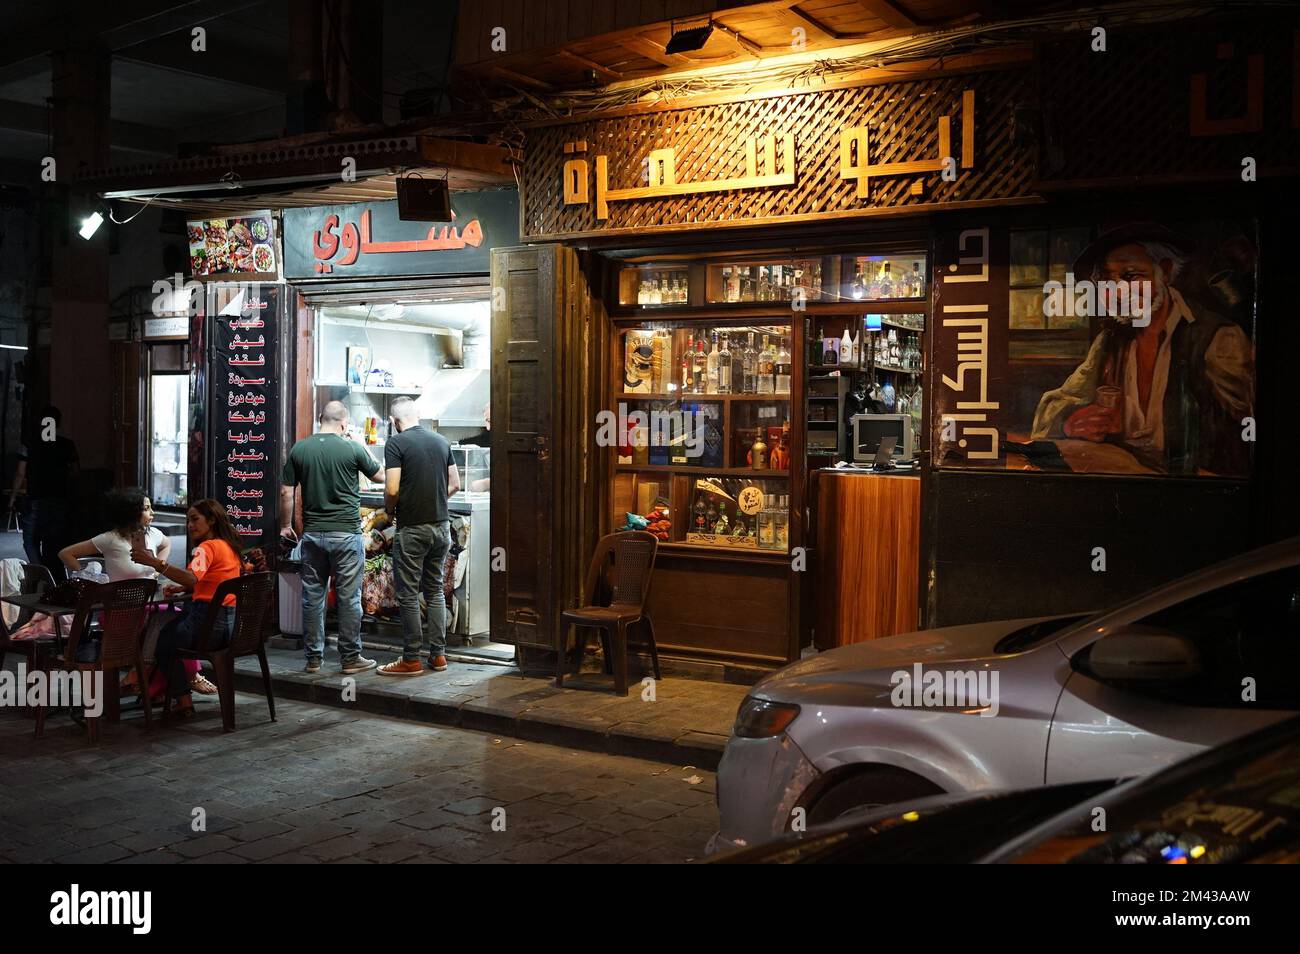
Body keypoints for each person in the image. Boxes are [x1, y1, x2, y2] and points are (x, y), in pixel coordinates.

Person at [1030, 224, 1253, 476]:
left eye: (1130, 276)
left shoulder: (1218, 338)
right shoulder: (1110, 340)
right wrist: (1069, 421)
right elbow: (1058, 402)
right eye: (1105, 280)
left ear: (1165, 272)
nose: (1116, 292)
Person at [58, 489, 216, 698]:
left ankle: (150, 680)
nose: (152, 513)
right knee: (170, 620)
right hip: (120, 610)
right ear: (131, 512)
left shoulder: (152, 534)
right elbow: (66, 553)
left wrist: (159, 565)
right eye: (147, 508)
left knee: (172, 620)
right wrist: (87, 578)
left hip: (148, 604)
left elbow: (166, 543)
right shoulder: (110, 539)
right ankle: (187, 678)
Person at [279, 400, 382, 675]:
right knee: (349, 599)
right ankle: (350, 659)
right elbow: (381, 475)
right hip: (346, 535)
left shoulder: (300, 448)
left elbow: (286, 492)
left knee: (313, 597)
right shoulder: (352, 447)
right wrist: (361, 443)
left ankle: (313, 659)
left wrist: (285, 526)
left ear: (319, 419)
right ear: (344, 423)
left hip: (312, 535)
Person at [130, 499, 243, 716]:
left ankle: (182, 700)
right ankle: (166, 689)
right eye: (188, 520)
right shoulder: (230, 546)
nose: (190, 525)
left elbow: (192, 578)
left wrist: (156, 563)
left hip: (207, 627)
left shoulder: (205, 548)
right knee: (168, 632)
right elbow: (213, 582)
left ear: (211, 520)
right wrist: (183, 588)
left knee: (163, 641)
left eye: (195, 519)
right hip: (230, 627)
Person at [376, 397, 460, 676]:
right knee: (435, 590)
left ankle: (411, 659)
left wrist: (390, 511)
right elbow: (455, 484)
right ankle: (438, 656)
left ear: (393, 421)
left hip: (412, 528)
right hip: (441, 526)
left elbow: (391, 489)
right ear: (418, 415)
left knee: (409, 594)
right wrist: (434, 499)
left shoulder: (396, 444)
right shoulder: (440, 441)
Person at [7, 405, 79, 581]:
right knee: (52, 542)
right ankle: (52, 576)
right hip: (59, 498)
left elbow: (20, 473)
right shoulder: (67, 445)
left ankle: (40, 573)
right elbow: (76, 471)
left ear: (41, 423)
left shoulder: (29, 444)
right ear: (58, 423)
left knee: (30, 540)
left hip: (36, 499)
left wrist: (13, 497)